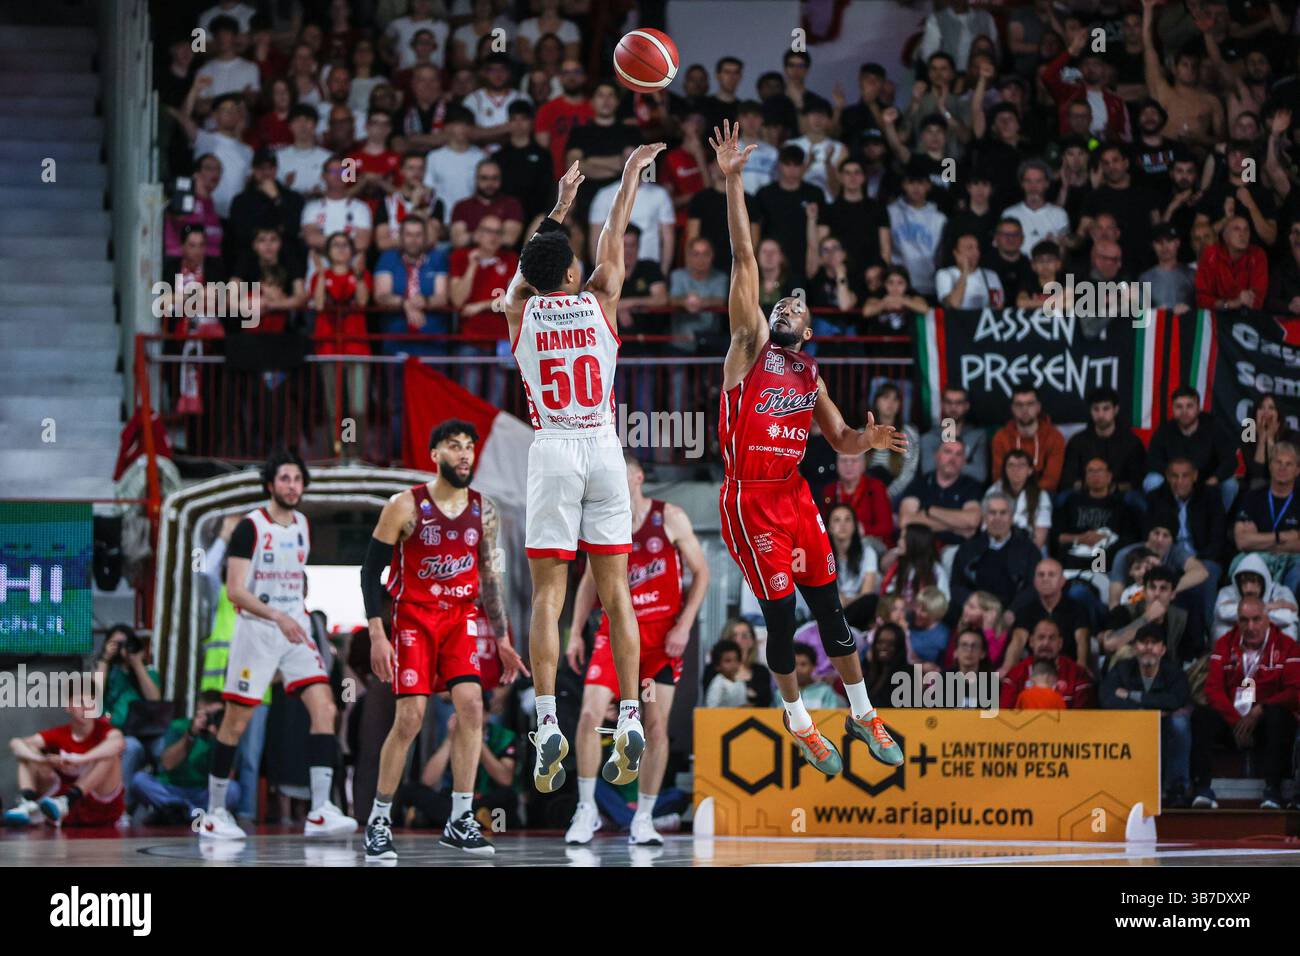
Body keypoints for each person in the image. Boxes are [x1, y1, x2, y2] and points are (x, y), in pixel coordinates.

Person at [710, 118, 906, 775]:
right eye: (781, 301)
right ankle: (798, 722)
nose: (787, 304)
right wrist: (734, 183)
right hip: (749, 498)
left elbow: (843, 437)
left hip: (795, 494)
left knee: (830, 608)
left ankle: (862, 712)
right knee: (780, 617)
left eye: (798, 302)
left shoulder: (809, 372)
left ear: (810, 325)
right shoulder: (747, 349)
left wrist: (870, 438)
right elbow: (743, 260)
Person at [502, 151, 664, 793]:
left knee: (548, 593)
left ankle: (546, 722)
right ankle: (629, 713)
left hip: (552, 450)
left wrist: (560, 202)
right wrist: (627, 178)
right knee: (615, 589)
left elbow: (527, 265)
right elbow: (614, 233)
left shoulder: (520, 309)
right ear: (572, 271)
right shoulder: (600, 298)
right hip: (602, 448)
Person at [359, 420, 526, 859]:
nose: (465, 454)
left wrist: (503, 637)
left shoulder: (485, 510)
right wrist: (378, 633)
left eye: (470, 447)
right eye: (455, 446)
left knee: (472, 707)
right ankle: (378, 820)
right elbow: (368, 573)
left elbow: (491, 578)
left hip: (460, 620)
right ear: (435, 454)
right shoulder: (403, 506)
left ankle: (460, 818)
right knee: (411, 718)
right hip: (414, 618)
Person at [197, 450, 354, 841]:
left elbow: (293, 579)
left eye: (298, 479)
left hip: (294, 629)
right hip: (258, 631)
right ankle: (214, 812)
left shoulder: (302, 524)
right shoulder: (250, 528)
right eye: (284, 479)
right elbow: (235, 591)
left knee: (325, 708)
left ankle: (319, 809)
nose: (292, 486)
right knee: (237, 721)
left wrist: (291, 616)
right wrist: (277, 616)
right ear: (270, 484)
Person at [563, 457, 709, 847]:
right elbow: (588, 584)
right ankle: (587, 807)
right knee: (591, 714)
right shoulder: (602, 523)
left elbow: (703, 572)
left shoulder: (670, 516)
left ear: (638, 476)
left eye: (621, 471)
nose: (614, 478)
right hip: (614, 635)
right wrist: (575, 632)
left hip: (660, 639)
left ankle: (643, 817)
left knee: (655, 725)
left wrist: (684, 624)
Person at [1192, 596, 1300, 810]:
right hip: (1233, 721)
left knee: (1277, 715)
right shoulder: (1224, 644)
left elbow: (1295, 691)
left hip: (1266, 724)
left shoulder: (1287, 646)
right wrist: (1236, 721)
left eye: (1256, 619)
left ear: (1268, 619)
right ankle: (1202, 789)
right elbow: (1213, 689)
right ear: (1237, 621)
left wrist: (1260, 710)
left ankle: (1273, 791)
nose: (1250, 627)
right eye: (1244, 620)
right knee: (1202, 716)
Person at [1101, 625, 1193, 806]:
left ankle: (1177, 789)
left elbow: (1176, 700)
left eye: (1154, 643)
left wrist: (1132, 695)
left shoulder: (1173, 671)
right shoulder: (1121, 669)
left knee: (1180, 722)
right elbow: (1107, 698)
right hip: (1130, 725)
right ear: (1135, 648)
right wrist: (1144, 713)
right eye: (1143, 642)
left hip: (1165, 729)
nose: (1149, 647)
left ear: (1163, 649)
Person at [4, 698, 125, 828]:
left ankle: (67, 800)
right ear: (68, 707)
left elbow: (118, 744)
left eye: (92, 703)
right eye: (81, 703)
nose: (87, 708)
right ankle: (28, 803)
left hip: (100, 804)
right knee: (26, 751)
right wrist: (44, 760)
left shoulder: (107, 731)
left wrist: (80, 759)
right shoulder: (61, 733)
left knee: (109, 755)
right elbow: (16, 743)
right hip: (61, 803)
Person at [129, 691, 243, 823]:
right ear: (199, 710)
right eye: (209, 715)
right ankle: (191, 813)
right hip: (172, 788)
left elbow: (228, 777)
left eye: (217, 715)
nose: (213, 719)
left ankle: (180, 812)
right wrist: (191, 734)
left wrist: (220, 742)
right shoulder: (179, 726)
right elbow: (167, 764)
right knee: (139, 780)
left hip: (203, 792)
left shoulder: (225, 736)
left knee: (233, 789)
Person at [948, 491, 1042, 619]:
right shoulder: (967, 548)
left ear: (1012, 517)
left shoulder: (1029, 550)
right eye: (992, 513)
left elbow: (1033, 587)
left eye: (1003, 513)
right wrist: (975, 608)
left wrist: (1012, 612)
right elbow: (956, 586)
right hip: (976, 613)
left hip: (1014, 614)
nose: (998, 518)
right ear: (985, 517)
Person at [1143, 386, 1239, 509]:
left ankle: (1216, 522)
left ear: (1198, 408)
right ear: (1172, 409)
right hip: (1174, 483)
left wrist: (1215, 479)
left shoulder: (1214, 427)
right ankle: (1163, 522)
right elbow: (1153, 460)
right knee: (1152, 481)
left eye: (1189, 406)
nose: (1184, 412)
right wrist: (1175, 478)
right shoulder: (1164, 430)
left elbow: (1230, 460)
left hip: (1206, 483)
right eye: (1179, 407)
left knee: (1230, 484)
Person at [1232, 440, 1300, 595]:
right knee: (1243, 566)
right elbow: (1242, 541)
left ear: (1297, 470)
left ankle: (1288, 616)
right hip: (1258, 557)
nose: (1282, 467)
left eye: (1289, 464)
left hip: (1293, 561)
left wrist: (1258, 539)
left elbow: (1250, 541)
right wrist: (1282, 537)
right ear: (1270, 466)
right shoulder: (1253, 497)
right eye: (1278, 462)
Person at [1059, 387, 1147, 496]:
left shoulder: (1132, 443)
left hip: (1119, 495)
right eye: (1096, 409)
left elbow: (1138, 481)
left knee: (1136, 500)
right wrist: (1091, 486)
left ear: (1116, 410)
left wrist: (1111, 487)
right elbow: (1068, 479)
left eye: (1106, 409)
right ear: (1090, 411)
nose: (1100, 415)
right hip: (1085, 494)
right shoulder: (1078, 442)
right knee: (1064, 497)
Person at [1099, 565, 1193, 667]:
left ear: (1173, 594)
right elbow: (1109, 645)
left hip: (1164, 676)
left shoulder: (1181, 618)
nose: (1157, 594)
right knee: (1126, 652)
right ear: (1144, 591)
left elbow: (1188, 658)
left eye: (1163, 588)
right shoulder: (1123, 611)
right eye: (1152, 587)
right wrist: (1147, 617)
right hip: (1125, 674)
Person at [897, 440, 984, 548]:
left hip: (957, 549)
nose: (952, 459)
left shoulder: (971, 486)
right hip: (922, 548)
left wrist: (930, 511)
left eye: (958, 454)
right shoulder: (920, 484)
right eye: (948, 452)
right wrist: (955, 527)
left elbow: (972, 520)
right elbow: (905, 520)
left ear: (964, 461)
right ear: (937, 456)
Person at [1008, 559, 1092, 668]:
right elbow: (1018, 640)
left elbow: (1083, 640)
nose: (1045, 579)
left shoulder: (1077, 609)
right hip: (1034, 670)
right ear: (1034, 581)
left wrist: (1082, 666)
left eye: (1051, 575)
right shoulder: (1025, 611)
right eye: (1041, 575)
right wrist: (1008, 666)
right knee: (989, 680)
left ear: (1062, 581)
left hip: (1068, 670)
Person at [1000, 618, 1095, 709]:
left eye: (1052, 638)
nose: (1046, 643)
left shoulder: (1078, 675)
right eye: (1041, 637)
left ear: (1060, 643)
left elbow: (1082, 719)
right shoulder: (1015, 675)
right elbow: (1004, 715)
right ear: (1032, 642)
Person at [991, 385, 1066, 493]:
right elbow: (998, 476)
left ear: (1038, 407)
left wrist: (1028, 495)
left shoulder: (1054, 436)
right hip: (1009, 493)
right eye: (1019, 405)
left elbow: (1051, 480)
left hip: (1041, 493)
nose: (1024, 409)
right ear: (1012, 408)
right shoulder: (1001, 437)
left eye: (1030, 404)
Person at [1214, 554, 1299, 640]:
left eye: (1253, 581)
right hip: (1239, 644)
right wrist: (1269, 607)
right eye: (1243, 582)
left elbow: (1288, 617)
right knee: (1222, 627)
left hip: (1271, 645)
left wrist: (1243, 612)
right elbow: (1223, 612)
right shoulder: (1227, 591)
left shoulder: (1281, 591)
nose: (1248, 588)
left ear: (1263, 581)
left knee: (1288, 629)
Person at [819, 453, 893, 551]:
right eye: (843, 461)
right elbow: (823, 525)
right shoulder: (830, 490)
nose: (848, 465)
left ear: (863, 464)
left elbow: (886, 527)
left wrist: (861, 530)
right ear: (837, 464)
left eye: (854, 461)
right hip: (837, 543)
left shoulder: (876, 487)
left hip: (871, 544)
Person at [918, 386, 988, 483]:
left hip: (967, 491)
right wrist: (962, 463)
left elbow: (980, 474)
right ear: (943, 405)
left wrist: (944, 463)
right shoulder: (929, 437)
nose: (953, 407)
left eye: (958, 403)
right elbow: (928, 470)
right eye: (949, 402)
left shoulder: (977, 436)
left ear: (966, 406)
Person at [988, 449, 1052, 551]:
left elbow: (1039, 539)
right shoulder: (994, 491)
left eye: (1021, 465)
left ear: (1030, 470)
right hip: (998, 547)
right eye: (1011, 465)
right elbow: (986, 527)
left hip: (1030, 550)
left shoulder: (1041, 496)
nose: (1016, 470)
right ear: (1005, 469)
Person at [704, 640, 749, 707]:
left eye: (736, 660)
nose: (733, 664)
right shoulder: (717, 684)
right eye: (728, 661)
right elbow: (711, 709)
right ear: (717, 666)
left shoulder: (740, 682)